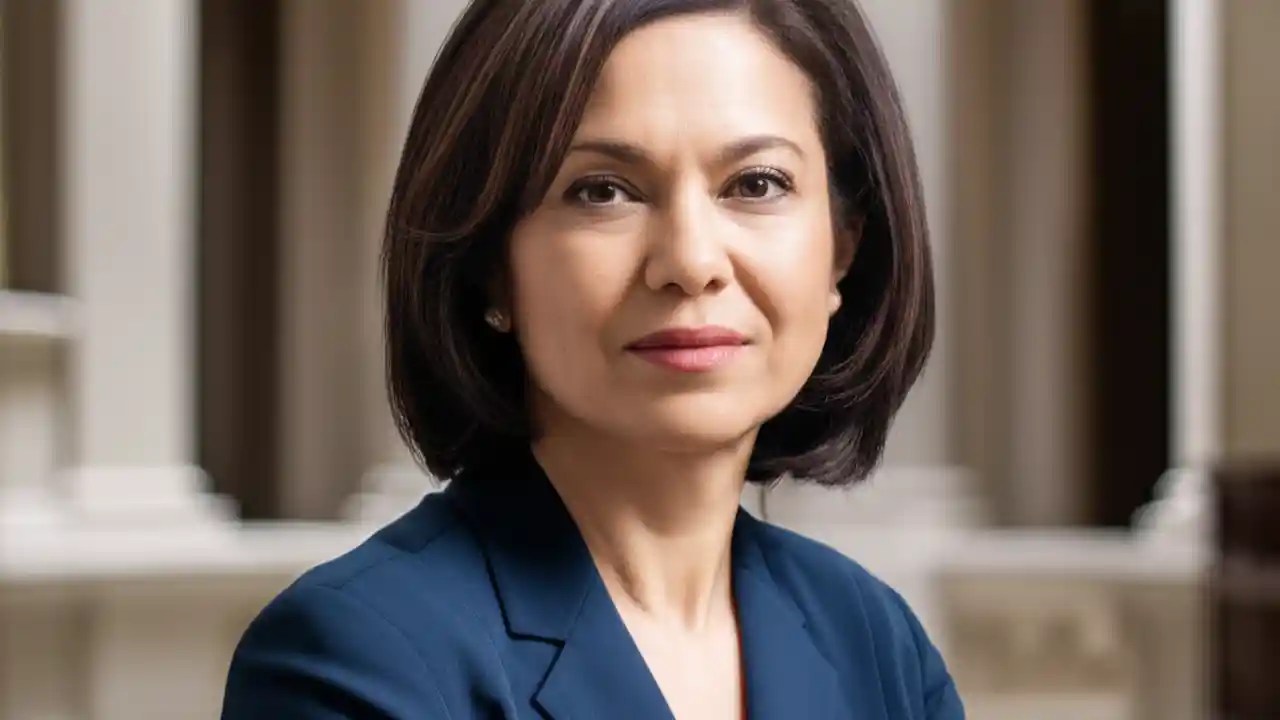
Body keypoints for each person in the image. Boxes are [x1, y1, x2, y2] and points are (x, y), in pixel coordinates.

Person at [221, 0, 963, 717]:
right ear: (489, 265)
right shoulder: (356, 658)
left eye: (756, 184)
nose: (691, 262)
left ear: (843, 248)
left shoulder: (876, 645)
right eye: (603, 191)